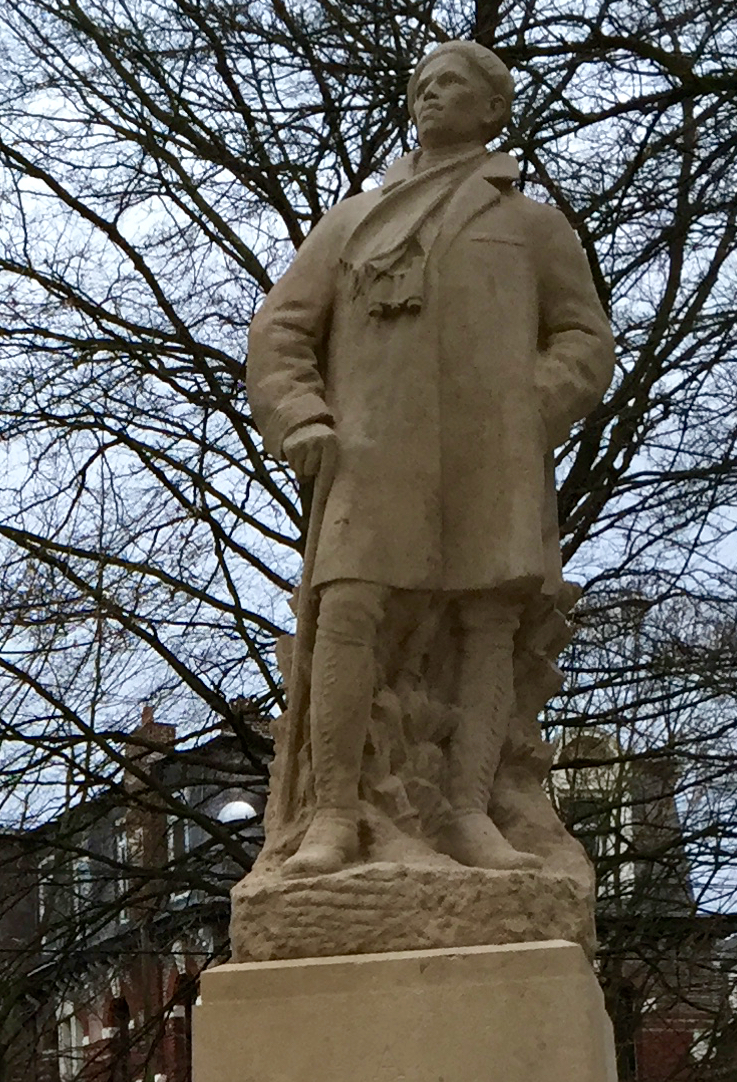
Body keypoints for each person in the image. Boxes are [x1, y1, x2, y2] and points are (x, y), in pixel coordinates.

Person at [247, 40, 615, 877]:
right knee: (347, 609)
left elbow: (585, 338)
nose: (430, 95)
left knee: (488, 622)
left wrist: (527, 410)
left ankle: (469, 813)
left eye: (451, 84)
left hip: (491, 462)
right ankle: (335, 816)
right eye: (420, 85)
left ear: (494, 109)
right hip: (376, 456)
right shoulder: (352, 221)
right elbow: (280, 330)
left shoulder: (530, 224)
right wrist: (302, 417)